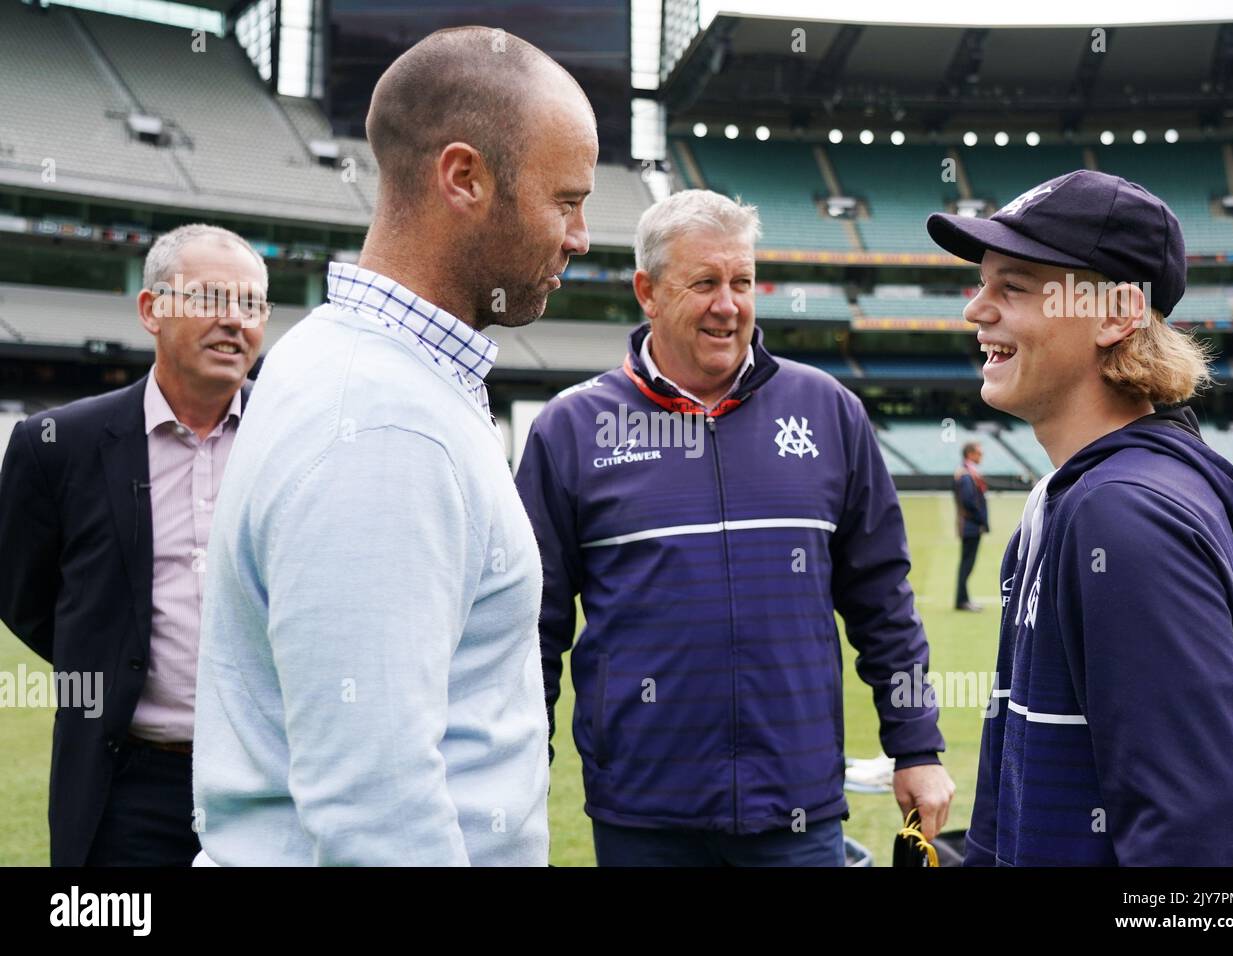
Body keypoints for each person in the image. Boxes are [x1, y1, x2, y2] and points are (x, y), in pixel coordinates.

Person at [190, 26, 597, 866]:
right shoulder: (382, 421)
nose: (581, 235)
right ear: (464, 179)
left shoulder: (352, 362)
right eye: (566, 200)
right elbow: (377, 812)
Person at [516, 189, 954, 867]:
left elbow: (883, 601)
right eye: (705, 283)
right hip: (642, 816)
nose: (729, 304)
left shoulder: (829, 412)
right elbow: (532, 626)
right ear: (648, 291)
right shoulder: (572, 431)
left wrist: (917, 747)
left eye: (743, 282)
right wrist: (521, 766)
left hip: (798, 810)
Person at [927, 169, 1233, 865]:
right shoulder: (1066, 496)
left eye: (1015, 285)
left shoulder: (1124, 516)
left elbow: (1197, 855)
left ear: (1118, 313)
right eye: (981, 282)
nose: (976, 309)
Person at [0, 224, 267, 865]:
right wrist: (112, 652)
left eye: (252, 304)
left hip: (268, 779)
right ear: (151, 310)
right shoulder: (58, 444)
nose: (235, 322)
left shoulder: (295, 436)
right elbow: (22, 593)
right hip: (127, 785)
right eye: (208, 299)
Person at [953, 441, 989, 611]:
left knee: (966, 564)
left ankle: (963, 599)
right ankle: (962, 601)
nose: (981, 456)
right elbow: (969, 502)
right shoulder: (967, 475)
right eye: (979, 453)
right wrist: (982, 520)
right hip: (970, 526)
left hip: (969, 525)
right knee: (966, 565)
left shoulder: (967, 473)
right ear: (970, 454)